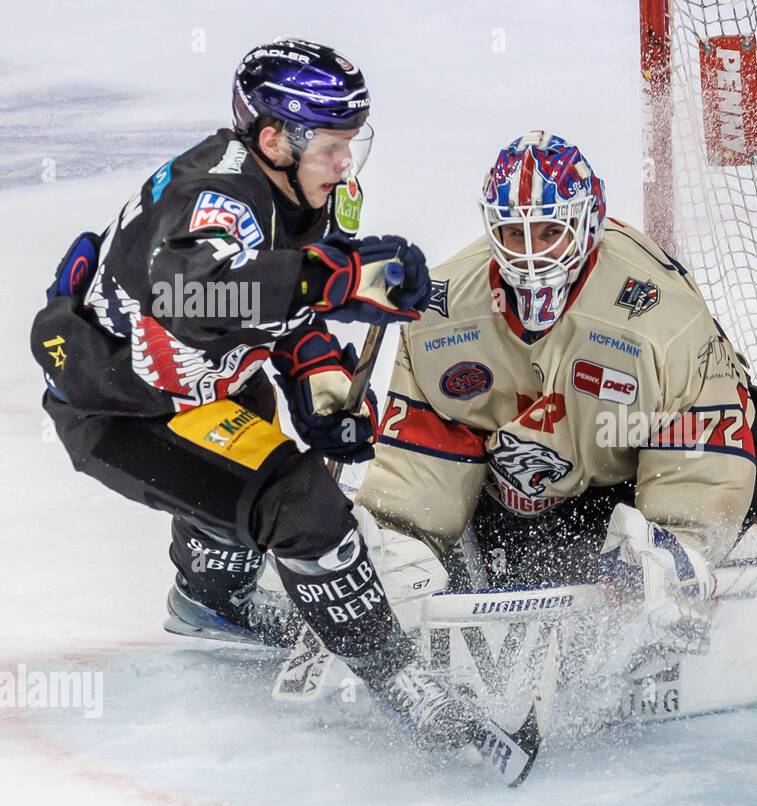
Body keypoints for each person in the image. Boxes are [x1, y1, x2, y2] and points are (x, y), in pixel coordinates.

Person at [30, 38, 493, 752]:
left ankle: (209, 599)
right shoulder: (214, 200)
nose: (345, 164)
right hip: (123, 411)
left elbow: (283, 309)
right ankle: (401, 683)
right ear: (275, 138)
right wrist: (336, 280)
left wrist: (321, 381)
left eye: (351, 143)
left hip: (200, 382)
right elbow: (198, 297)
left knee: (257, 436)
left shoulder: (304, 187)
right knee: (297, 501)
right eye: (333, 146)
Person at [357, 130, 757, 621]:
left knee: (642, 583)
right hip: (535, 487)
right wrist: (399, 544)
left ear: (587, 225)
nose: (531, 255)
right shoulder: (443, 309)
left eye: (549, 231)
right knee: (502, 572)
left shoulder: (660, 314)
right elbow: (424, 447)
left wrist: (674, 549)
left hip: (659, 473)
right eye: (515, 234)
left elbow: (703, 445)